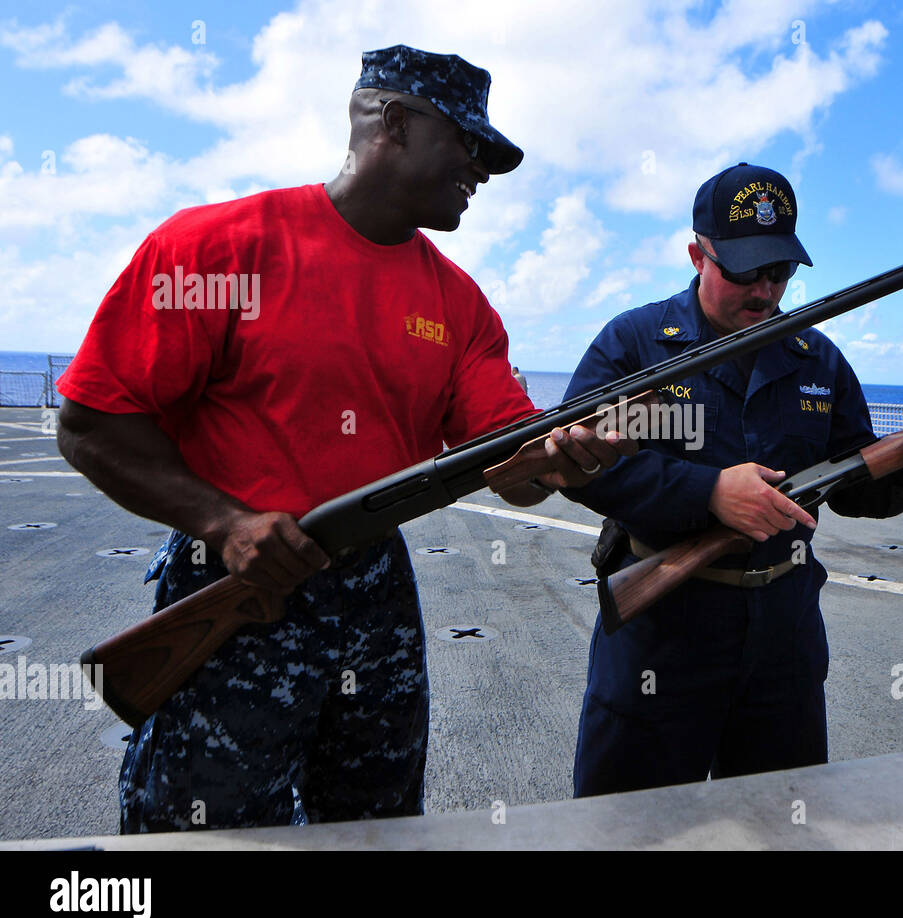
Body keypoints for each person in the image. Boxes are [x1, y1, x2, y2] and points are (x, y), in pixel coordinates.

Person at [55, 44, 631, 833]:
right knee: (205, 828)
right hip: (233, 582)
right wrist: (225, 524)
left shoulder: (459, 305)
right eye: (468, 145)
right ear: (392, 122)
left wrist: (561, 455)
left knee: (381, 824)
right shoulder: (219, 249)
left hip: (374, 587)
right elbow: (90, 422)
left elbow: (512, 462)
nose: (482, 173)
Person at [562, 163, 903, 797]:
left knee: (781, 823)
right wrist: (707, 492)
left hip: (782, 638)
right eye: (744, 272)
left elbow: (857, 489)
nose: (765, 291)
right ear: (696, 255)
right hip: (662, 632)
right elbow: (577, 468)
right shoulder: (637, 343)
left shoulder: (817, 359)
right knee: (627, 829)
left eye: (780, 272)